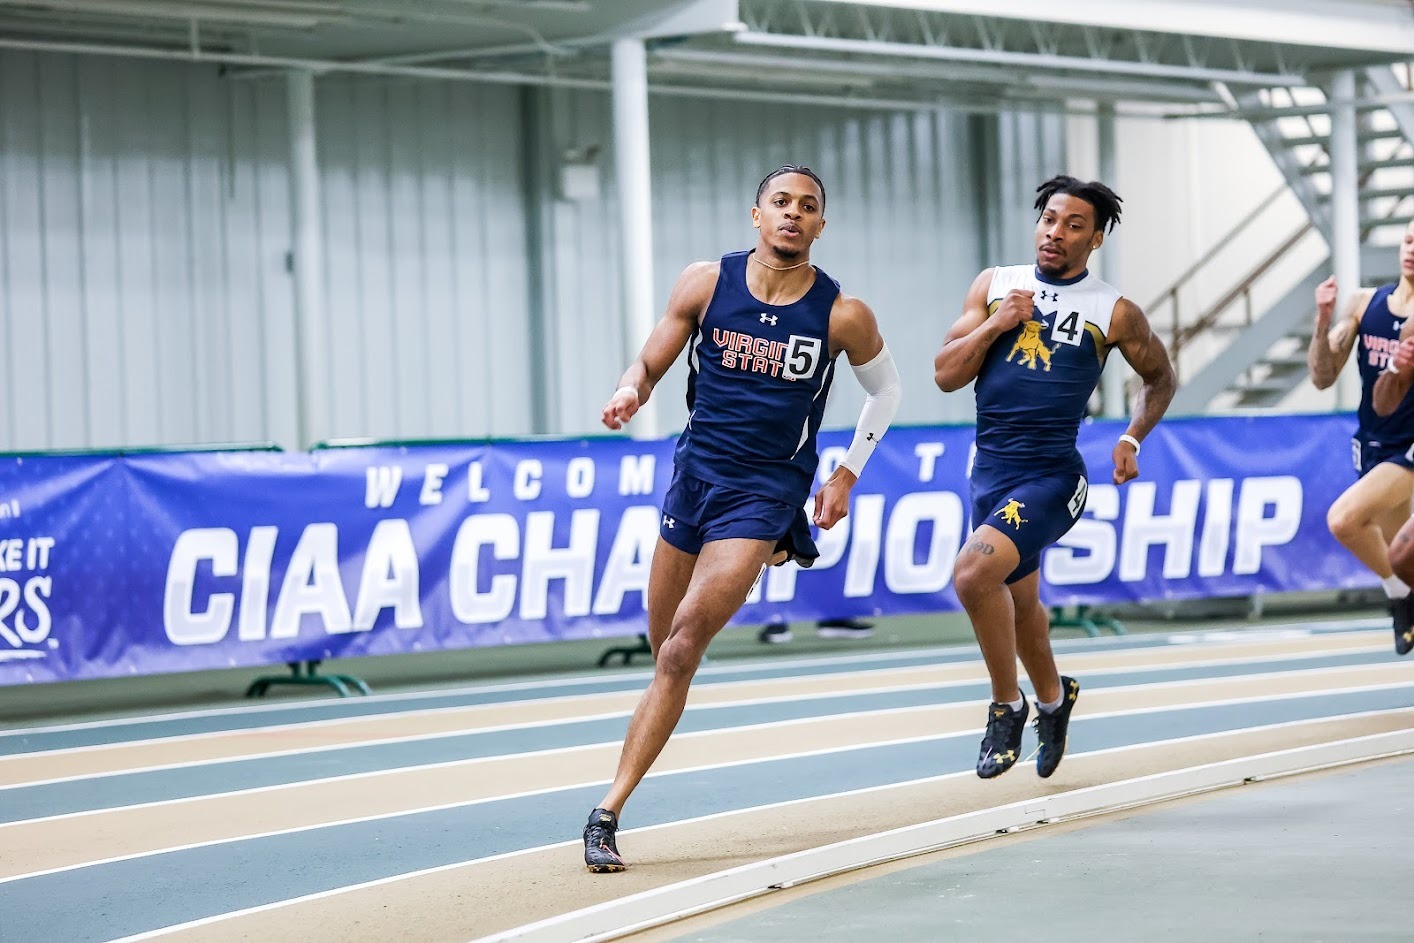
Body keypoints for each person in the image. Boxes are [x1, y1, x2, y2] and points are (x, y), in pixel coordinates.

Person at [582, 165, 902, 872]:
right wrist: (628, 392)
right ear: (755, 215)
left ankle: (606, 812)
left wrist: (847, 470)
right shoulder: (704, 283)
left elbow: (887, 392)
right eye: (781, 203)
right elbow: (650, 362)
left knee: (680, 647)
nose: (793, 214)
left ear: (821, 225)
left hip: (765, 490)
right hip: (695, 476)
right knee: (661, 642)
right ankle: (674, 684)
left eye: (808, 206)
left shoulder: (841, 313)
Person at [932, 175, 1175, 781]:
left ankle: (1005, 705)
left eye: (1073, 226)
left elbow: (1161, 378)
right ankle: (1052, 698)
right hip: (988, 472)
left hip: (1051, 477)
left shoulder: (1113, 310)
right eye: (1049, 220)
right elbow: (945, 373)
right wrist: (996, 324)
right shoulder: (994, 286)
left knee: (972, 573)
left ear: (1094, 240)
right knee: (1021, 608)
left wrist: (1129, 437)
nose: (1056, 233)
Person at [1335, 219, 1414, 656]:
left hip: (1408, 448)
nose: (1411, 249)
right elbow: (1328, 375)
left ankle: (1399, 598)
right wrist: (1323, 326)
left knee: (1343, 520)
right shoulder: (1369, 303)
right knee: (1404, 558)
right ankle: (1404, 595)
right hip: (1373, 441)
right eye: (1407, 240)